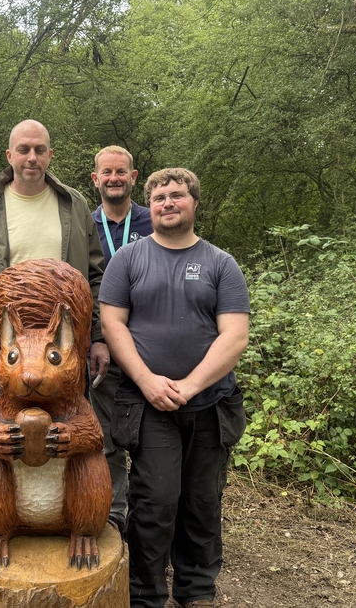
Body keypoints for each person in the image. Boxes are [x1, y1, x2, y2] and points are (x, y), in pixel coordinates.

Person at [99, 168, 250, 608]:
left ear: (194, 203)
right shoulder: (127, 259)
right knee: (155, 502)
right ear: (151, 205)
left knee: (203, 502)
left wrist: (189, 384)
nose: (168, 202)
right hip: (146, 406)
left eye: (177, 195)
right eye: (160, 196)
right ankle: (146, 595)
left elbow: (234, 336)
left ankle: (196, 591)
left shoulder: (221, 263)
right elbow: (112, 324)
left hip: (211, 403)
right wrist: (147, 381)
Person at [0, 119, 110, 403]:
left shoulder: (74, 204)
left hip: (66, 352)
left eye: (40, 150)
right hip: (6, 352)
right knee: (9, 441)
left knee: (68, 439)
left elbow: (95, 278)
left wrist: (98, 337)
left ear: (50, 155)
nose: (32, 157)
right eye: (24, 149)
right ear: (9, 155)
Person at [90, 145, 154, 532]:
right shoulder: (83, 225)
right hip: (103, 348)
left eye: (121, 172)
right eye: (106, 172)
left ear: (133, 177)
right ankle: (114, 512)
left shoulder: (156, 219)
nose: (114, 178)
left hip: (150, 346)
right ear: (95, 179)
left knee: (152, 435)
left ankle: (148, 514)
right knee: (107, 433)